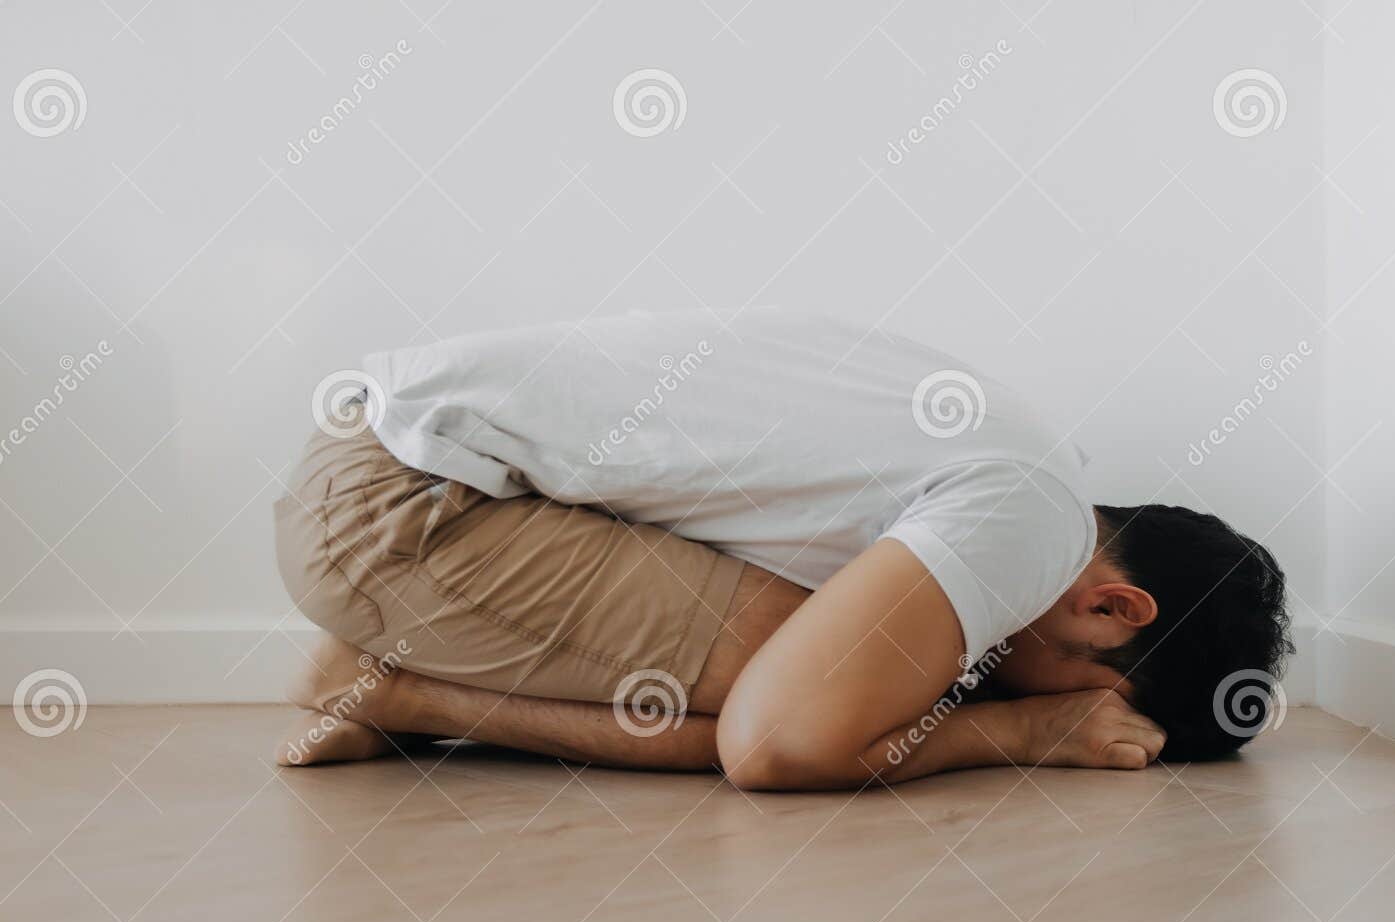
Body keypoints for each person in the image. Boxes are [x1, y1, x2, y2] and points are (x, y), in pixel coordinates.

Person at [273, 309, 1291, 790]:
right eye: (1079, 689)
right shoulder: (1034, 519)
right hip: (399, 509)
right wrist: (1024, 735)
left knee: (847, 674)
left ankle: (398, 690)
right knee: (809, 693)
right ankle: (393, 689)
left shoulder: (1026, 463)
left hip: (395, 473)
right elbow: (771, 746)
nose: (1012, 687)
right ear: (1111, 608)